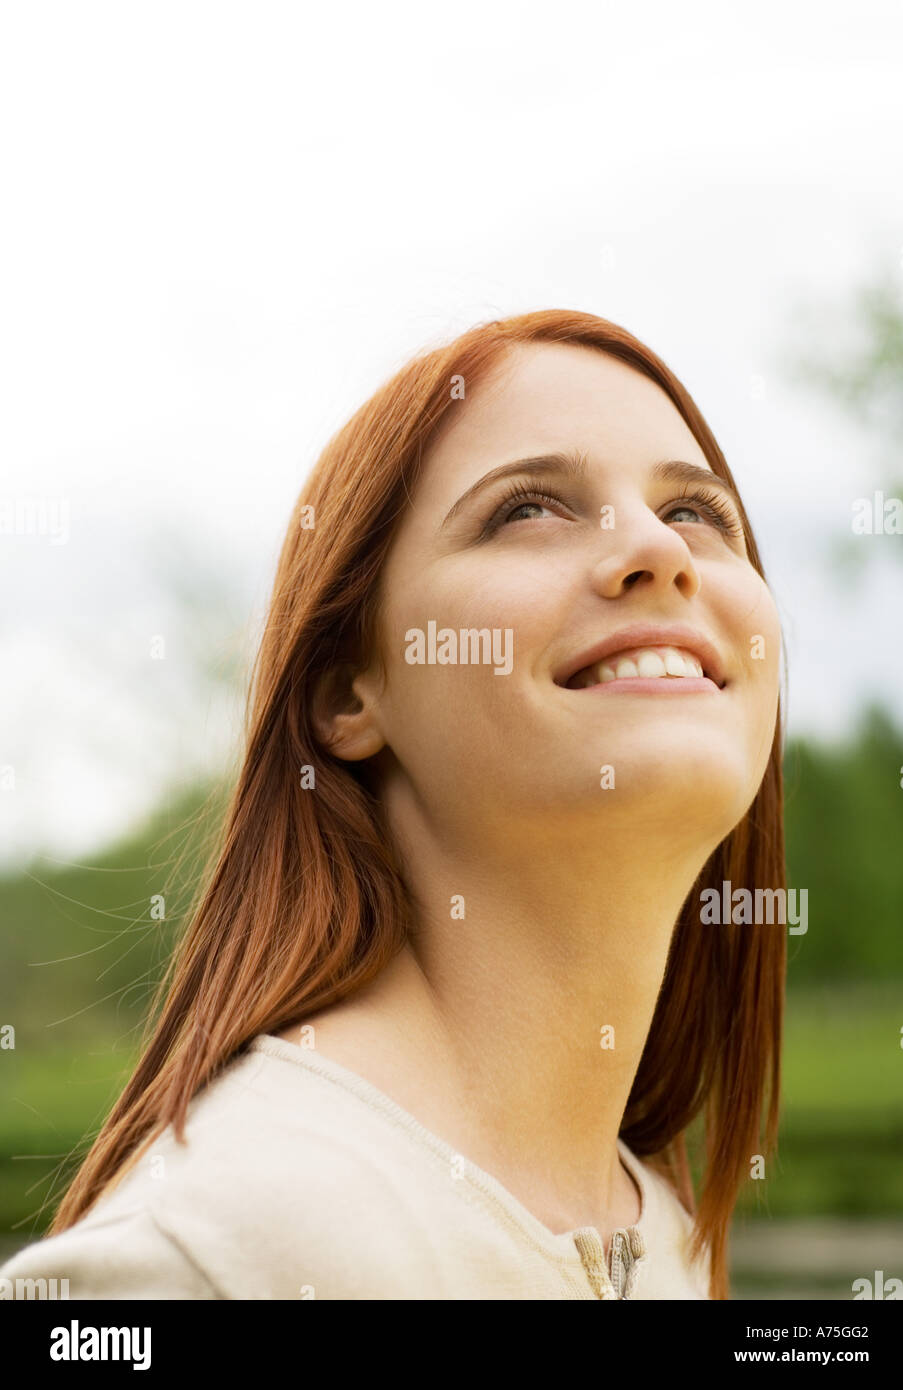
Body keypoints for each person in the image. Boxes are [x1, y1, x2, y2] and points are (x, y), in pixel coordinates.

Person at [0, 309, 785, 1301]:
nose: (654, 549)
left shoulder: (667, 1240)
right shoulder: (200, 1259)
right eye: (529, 508)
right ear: (347, 693)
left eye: (696, 515)